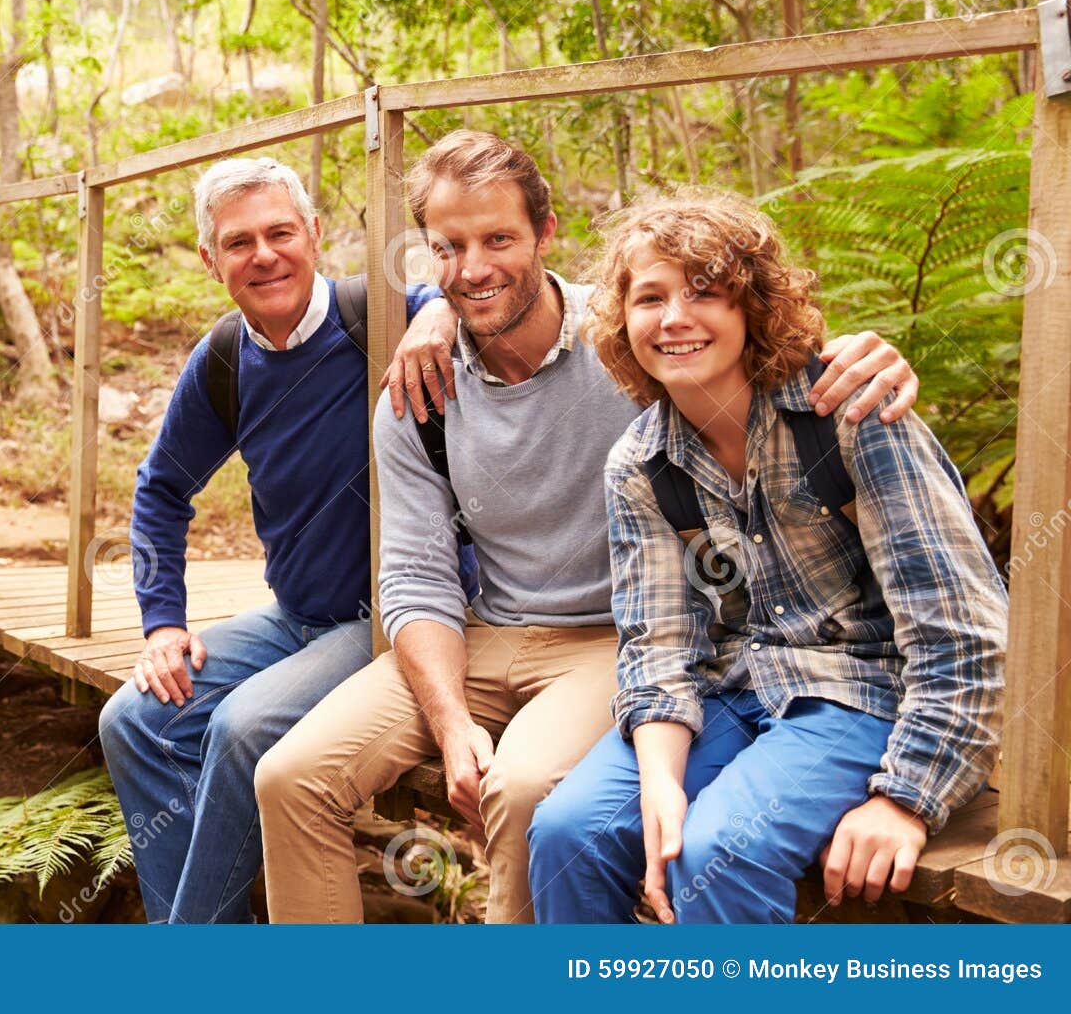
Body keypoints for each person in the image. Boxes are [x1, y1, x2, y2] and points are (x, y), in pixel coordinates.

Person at [254, 131, 920, 923]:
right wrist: (453, 722)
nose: (473, 268)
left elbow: (755, 352)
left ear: (544, 231)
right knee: (289, 775)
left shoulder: (635, 344)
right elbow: (415, 574)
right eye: (449, 246)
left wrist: (871, 358)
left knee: (529, 787)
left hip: (621, 634)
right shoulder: (417, 390)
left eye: (498, 238)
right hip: (483, 629)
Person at [525, 188, 1007, 924]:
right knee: (572, 832)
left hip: (859, 693)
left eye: (705, 293)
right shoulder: (640, 462)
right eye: (649, 297)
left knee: (720, 846)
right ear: (624, 321)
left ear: (752, 307)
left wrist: (908, 798)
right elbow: (655, 646)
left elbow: (962, 629)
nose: (675, 317)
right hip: (731, 691)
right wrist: (659, 782)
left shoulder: (848, 411)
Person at [97, 156, 459, 923]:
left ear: (316, 234)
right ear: (210, 260)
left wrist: (436, 312)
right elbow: (160, 488)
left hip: (390, 617)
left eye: (280, 232)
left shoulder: (381, 315)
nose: (263, 254)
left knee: (240, 726)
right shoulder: (226, 359)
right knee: (133, 718)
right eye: (238, 242)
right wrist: (162, 620)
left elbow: (464, 303)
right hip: (293, 616)